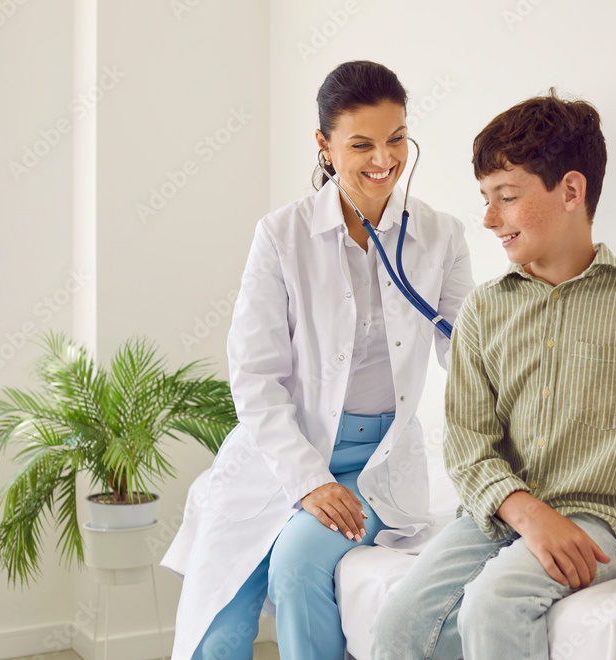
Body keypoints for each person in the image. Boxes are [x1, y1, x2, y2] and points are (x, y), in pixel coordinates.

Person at [371, 91, 616, 659]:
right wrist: (526, 513)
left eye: (506, 197)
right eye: (485, 198)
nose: (488, 218)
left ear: (572, 192)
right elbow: (468, 442)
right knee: (399, 625)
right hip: (504, 512)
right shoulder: (483, 310)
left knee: (494, 605)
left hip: (605, 518)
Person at [161, 60, 474, 660]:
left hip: (375, 460)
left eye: (396, 139)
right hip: (283, 451)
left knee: (298, 564)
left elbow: (465, 349)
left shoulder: (441, 235)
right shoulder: (283, 235)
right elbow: (255, 376)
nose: (383, 160)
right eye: (362, 144)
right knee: (219, 616)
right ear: (325, 147)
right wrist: (308, 480)